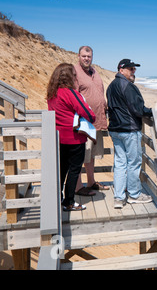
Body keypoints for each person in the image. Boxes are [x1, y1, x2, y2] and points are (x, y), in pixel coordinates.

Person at [46, 63, 96, 211]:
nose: (76, 78)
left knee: (62, 170)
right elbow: (89, 114)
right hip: (74, 138)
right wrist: (91, 115)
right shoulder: (69, 92)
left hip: (58, 137)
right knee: (74, 171)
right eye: (74, 75)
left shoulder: (52, 93)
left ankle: (58, 198)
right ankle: (69, 202)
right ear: (69, 77)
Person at [106, 59, 153, 209]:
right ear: (121, 70)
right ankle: (134, 194)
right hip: (129, 130)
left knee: (120, 163)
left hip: (115, 130)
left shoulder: (111, 86)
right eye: (130, 69)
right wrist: (152, 111)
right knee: (133, 163)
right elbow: (139, 110)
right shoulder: (128, 86)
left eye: (134, 69)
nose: (134, 71)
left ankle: (119, 198)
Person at [73, 46, 110, 196]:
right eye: (84, 56)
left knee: (92, 155)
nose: (86, 58)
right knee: (80, 156)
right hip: (84, 122)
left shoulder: (94, 71)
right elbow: (73, 96)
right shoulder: (75, 72)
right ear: (78, 56)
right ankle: (77, 187)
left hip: (97, 121)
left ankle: (91, 182)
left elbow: (98, 93)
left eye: (89, 56)